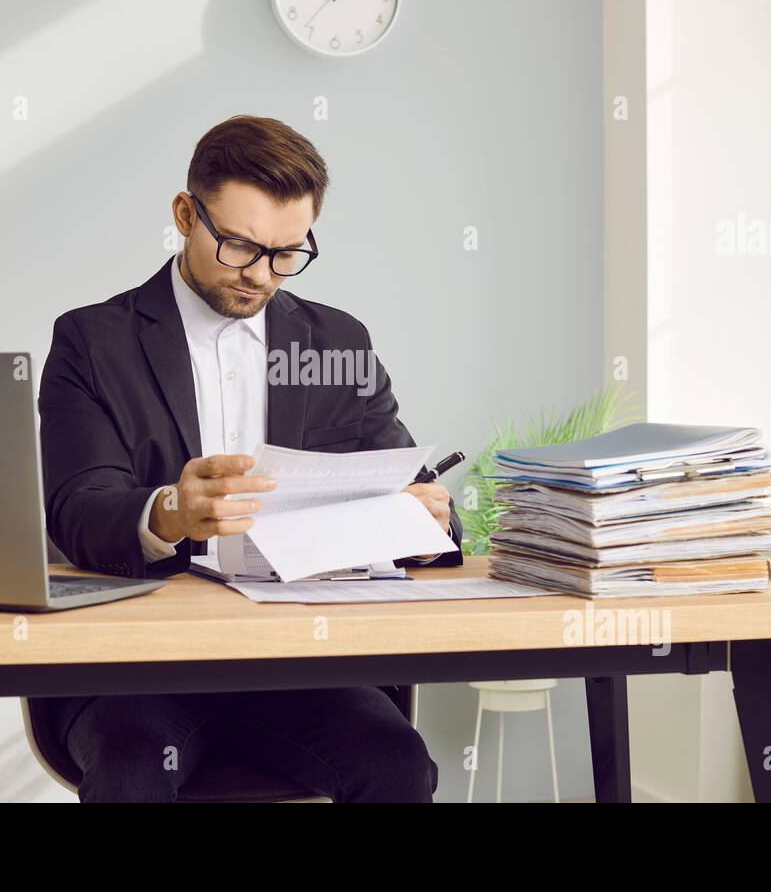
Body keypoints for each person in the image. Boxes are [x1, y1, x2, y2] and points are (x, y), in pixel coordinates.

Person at [36, 114, 462, 802]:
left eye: (287, 253)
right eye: (239, 246)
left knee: (398, 765)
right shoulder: (92, 340)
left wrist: (423, 517)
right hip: (141, 671)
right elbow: (76, 511)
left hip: (299, 667)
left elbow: (412, 490)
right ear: (185, 213)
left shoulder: (336, 341)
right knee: (133, 771)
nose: (262, 275)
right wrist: (171, 511)